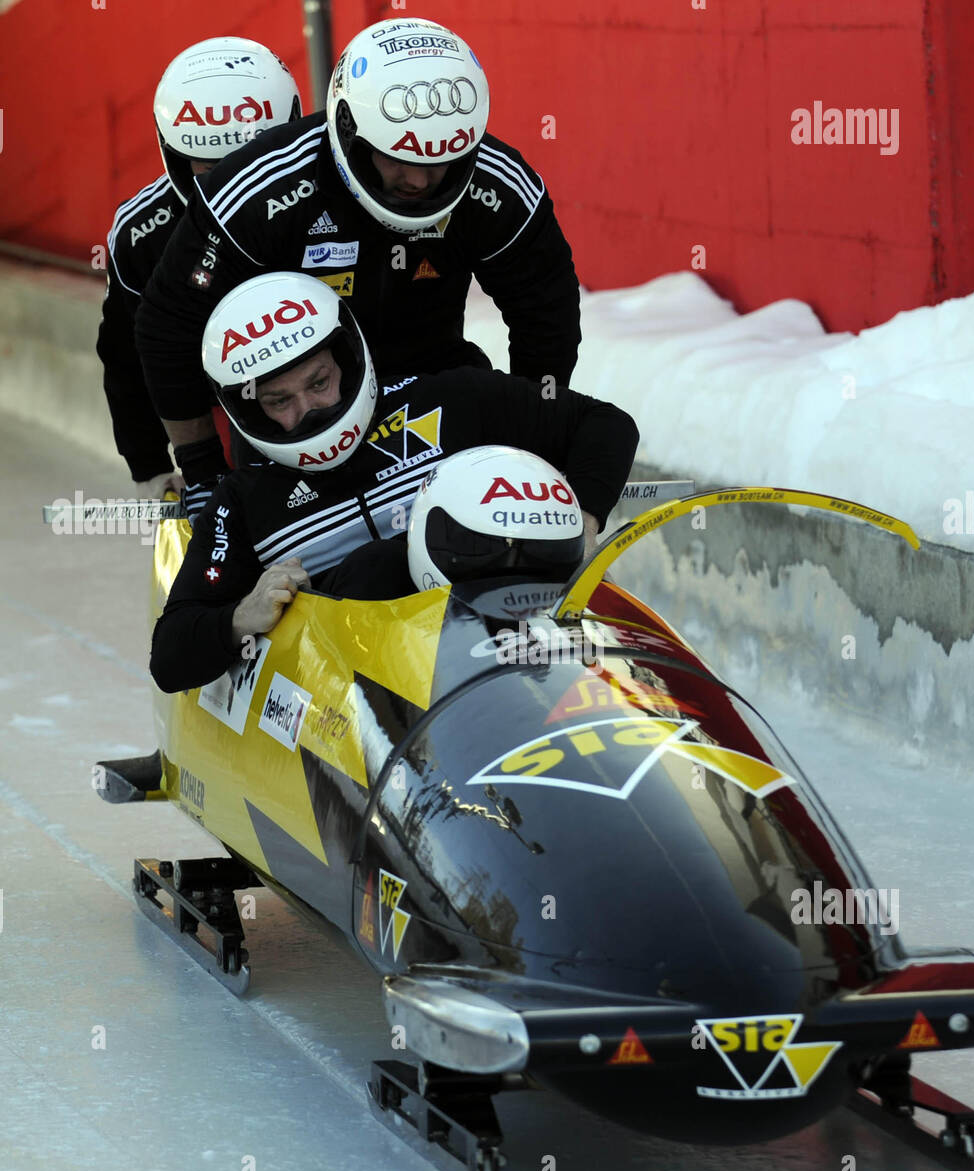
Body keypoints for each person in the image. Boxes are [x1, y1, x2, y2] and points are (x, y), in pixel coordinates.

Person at [135, 17, 582, 509]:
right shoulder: (259, 189)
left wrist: (536, 440)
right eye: (398, 159)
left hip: (434, 391)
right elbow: (168, 322)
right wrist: (202, 473)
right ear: (349, 129)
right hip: (297, 419)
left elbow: (547, 315)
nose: (418, 180)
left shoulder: (501, 187)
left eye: (441, 161)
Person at [149, 273, 636, 694]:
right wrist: (241, 617)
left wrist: (582, 523)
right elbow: (170, 655)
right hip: (373, 703)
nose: (308, 412)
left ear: (347, 358)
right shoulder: (244, 502)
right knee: (374, 569)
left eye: (319, 382)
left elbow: (604, 426)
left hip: (523, 658)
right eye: (279, 401)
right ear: (248, 409)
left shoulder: (452, 401)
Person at [95, 37, 300, 498]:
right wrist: (148, 465)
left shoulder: (333, 191)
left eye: (250, 163)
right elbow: (126, 355)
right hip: (217, 418)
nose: (236, 186)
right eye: (213, 168)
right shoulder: (139, 232)